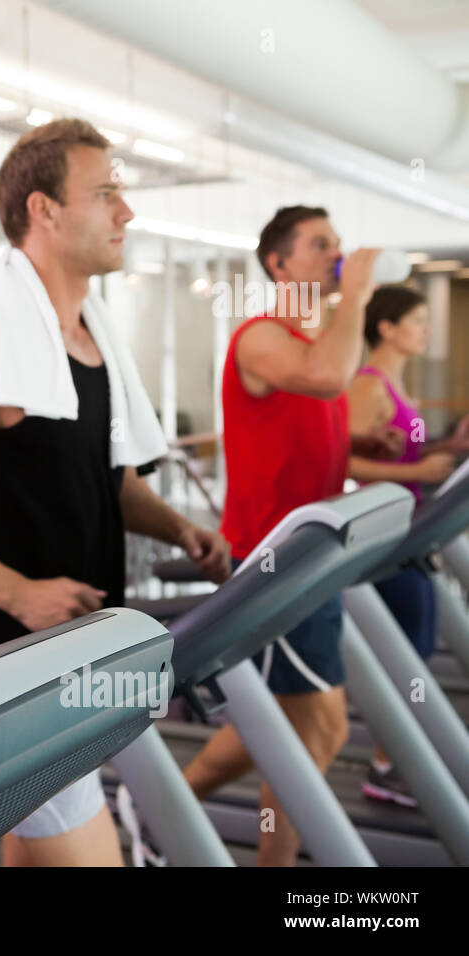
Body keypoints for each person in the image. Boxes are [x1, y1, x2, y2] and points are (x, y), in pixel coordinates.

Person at [0, 118, 231, 867]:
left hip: (81, 653)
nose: (127, 212)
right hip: (9, 666)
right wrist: (19, 593)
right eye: (106, 193)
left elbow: (102, 476)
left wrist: (177, 528)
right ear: (43, 210)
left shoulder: (90, 345)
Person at [181, 205, 394, 865]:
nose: (338, 255)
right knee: (317, 730)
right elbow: (327, 376)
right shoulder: (261, 336)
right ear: (278, 264)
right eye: (321, 245)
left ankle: (165, 805)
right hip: (274, 558)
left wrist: (359, 439)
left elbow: (310, 410)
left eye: (338, 244)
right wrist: (355, 293)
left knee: (277, 730)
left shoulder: (310, 342)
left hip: (311, 552)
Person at [347, 285, 466, 807]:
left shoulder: (399, 384)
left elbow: (405, 450)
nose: (427, 329)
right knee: (406, 657)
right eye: (417, 321)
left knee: (415, 651)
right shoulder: (368, 386)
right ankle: (383, 765)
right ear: (387, 328)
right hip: (386, 540)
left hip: (410, 531)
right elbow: (345, 463)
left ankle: (391, 758)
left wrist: (449, 448)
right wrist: (418, 468)